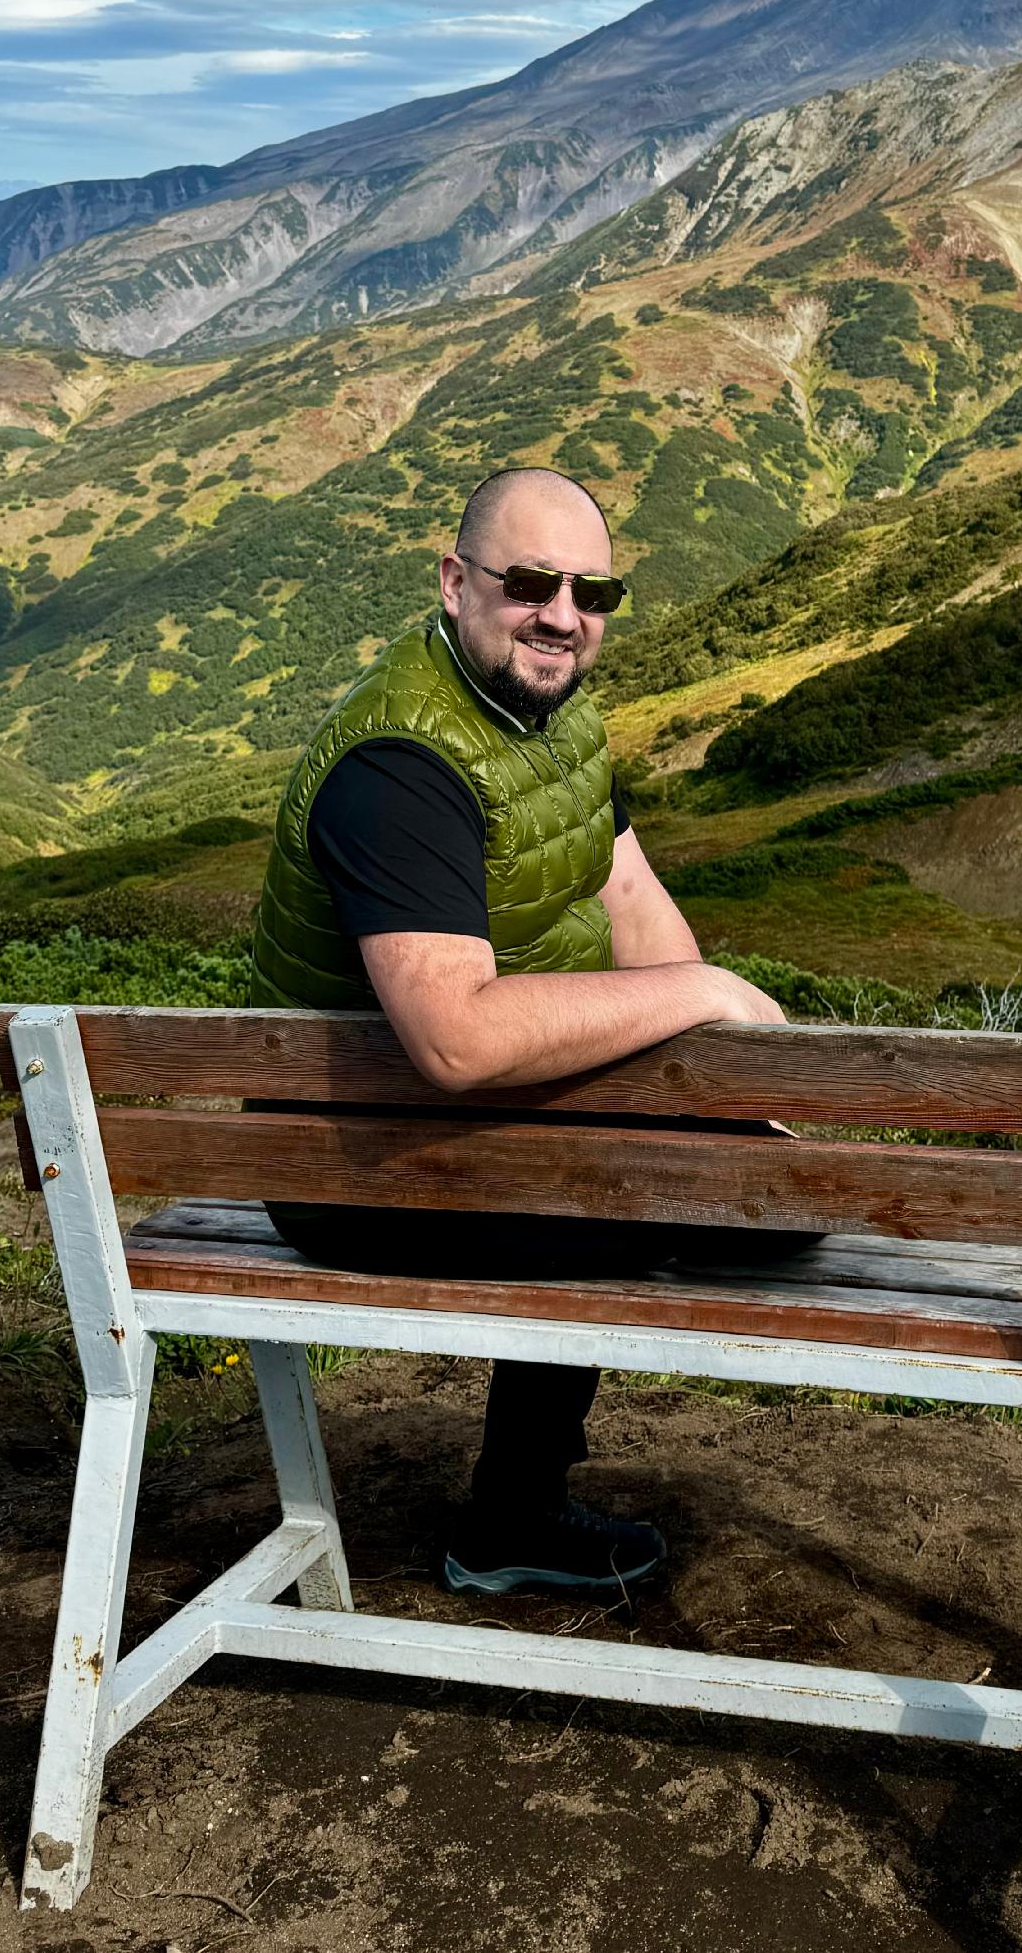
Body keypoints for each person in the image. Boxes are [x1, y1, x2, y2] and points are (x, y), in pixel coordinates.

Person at [248, 465, 788, 1598]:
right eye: (532, 581)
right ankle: (514, 1515)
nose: (564, 614)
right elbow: (457, 1041)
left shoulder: (555, 718)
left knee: (749, 1189)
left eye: (595, 593)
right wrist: (707, 998)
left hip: (445, 1132)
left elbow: (630, 900)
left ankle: (513, 1510)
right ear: (455, 583)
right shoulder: (401, 767)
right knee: (730, 1214)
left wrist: (740, 1083)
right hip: (352, 1163)